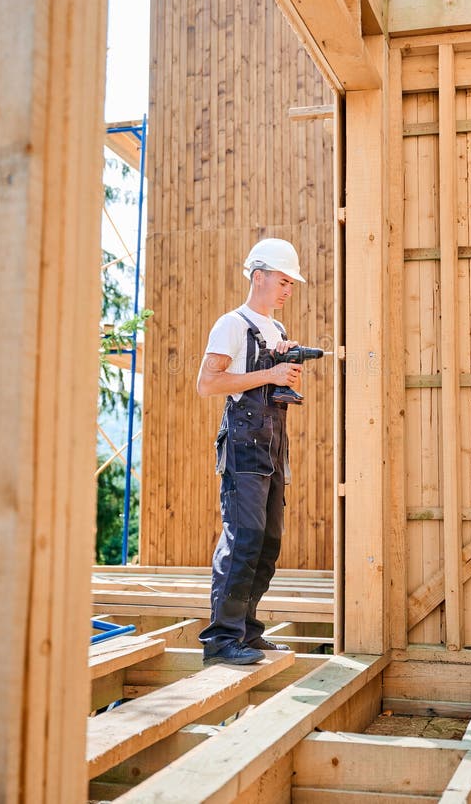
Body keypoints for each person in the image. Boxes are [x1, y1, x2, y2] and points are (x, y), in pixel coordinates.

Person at [196, 238, 305, 665]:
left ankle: (248, 632)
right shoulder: (232, 324)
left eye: (291, 284)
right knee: (243, 539)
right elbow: (208, 384)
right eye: (283, 281)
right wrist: (271, 373)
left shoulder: (274, 329)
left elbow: (261, 379)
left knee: (267, 542)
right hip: (243, 446)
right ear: (258, 276)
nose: (288, 290)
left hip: (273, 445)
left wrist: (282, 371)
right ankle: (221, 640)